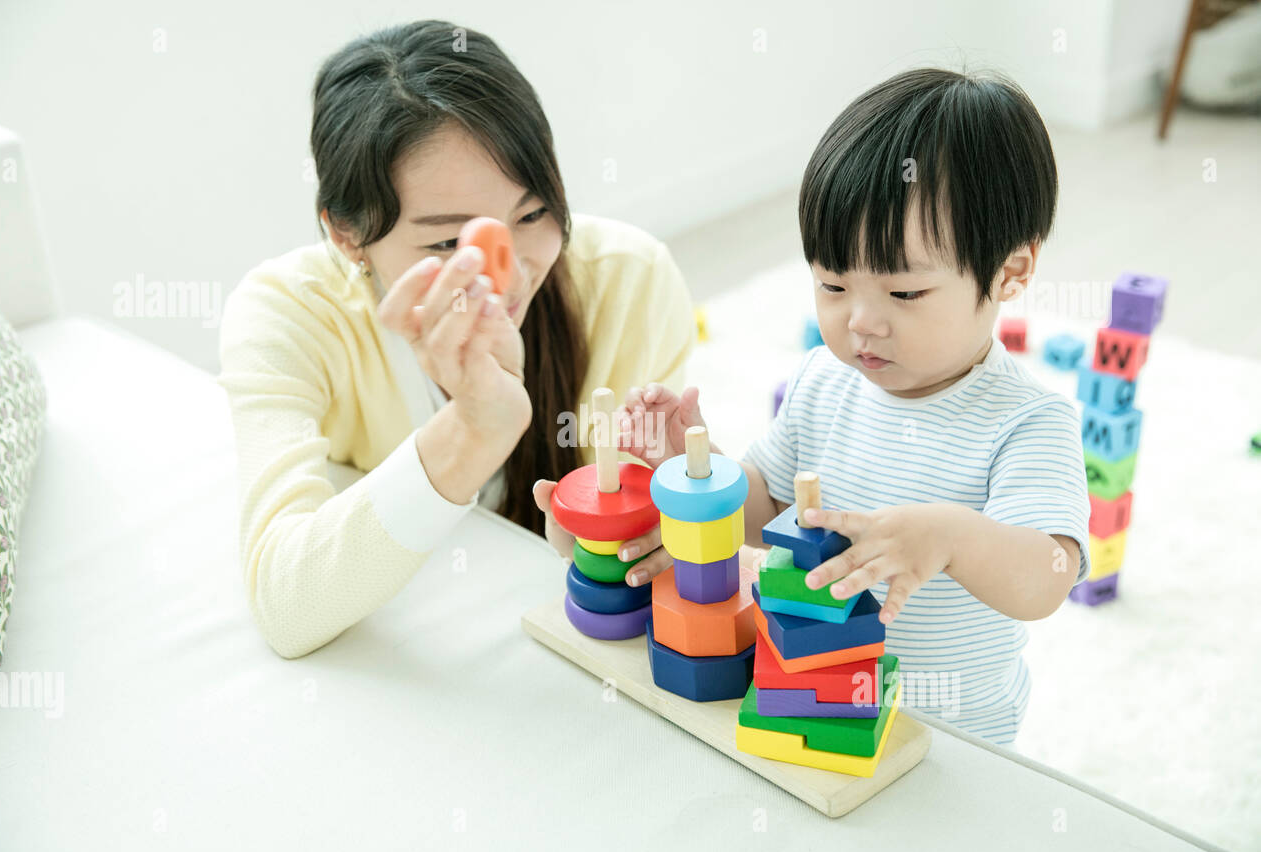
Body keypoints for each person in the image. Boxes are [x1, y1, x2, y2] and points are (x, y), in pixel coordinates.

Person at [604, 68, 1091, 747]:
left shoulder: (1027, 423)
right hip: (816, 701)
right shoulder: (823, 381)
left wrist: (949, 538)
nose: (860, 321)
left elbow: (1046, 579)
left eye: (904, 293)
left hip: (950, 737)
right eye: (833, 285)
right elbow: (766, 517)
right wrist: (698, 468)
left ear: (1009, 273)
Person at [218, 21, 695, 659]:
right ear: (346, 236)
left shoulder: (630, 282)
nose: (508, 274)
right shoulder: (289, 313)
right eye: (449, 242)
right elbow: (286, 605)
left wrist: (677, 525)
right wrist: (471, 432)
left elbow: (652, 543)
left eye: (532, 214)